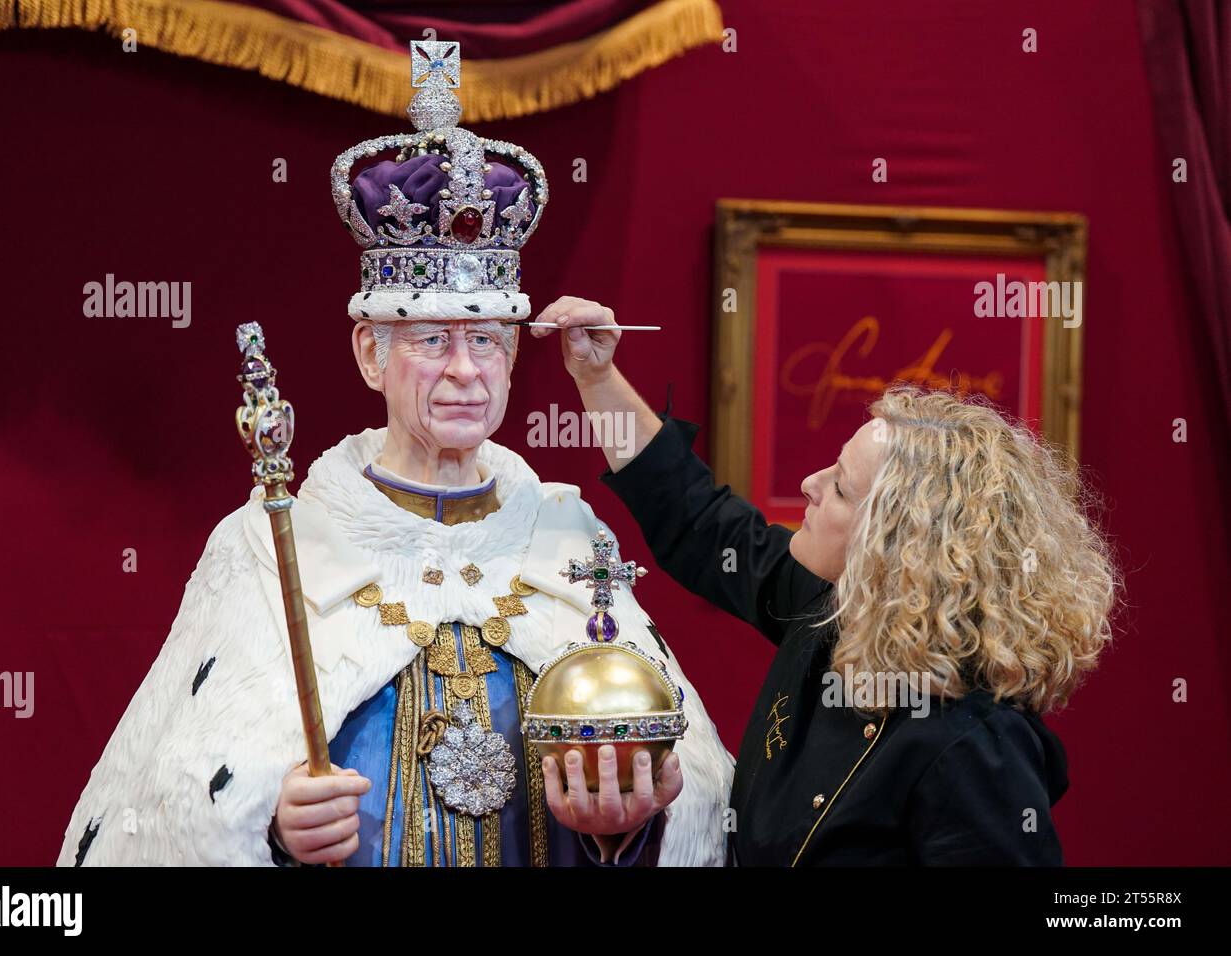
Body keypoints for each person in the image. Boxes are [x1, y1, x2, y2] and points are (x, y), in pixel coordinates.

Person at [56, 41, 733, 868]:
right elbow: (163, 806)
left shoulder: (568, 538)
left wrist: (631, 821)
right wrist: (271, 828)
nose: (464, 371)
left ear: (515, 358)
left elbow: (688, 781)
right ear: (370, 354)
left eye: (486, 339)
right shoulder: (272, 546)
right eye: (430, 341)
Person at [534, 296, 1119, 865]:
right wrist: (596, 374)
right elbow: (698, 519)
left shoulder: (976, 746)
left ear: (895, 546)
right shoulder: (831, 614)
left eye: (840, 487)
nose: (810, 483)